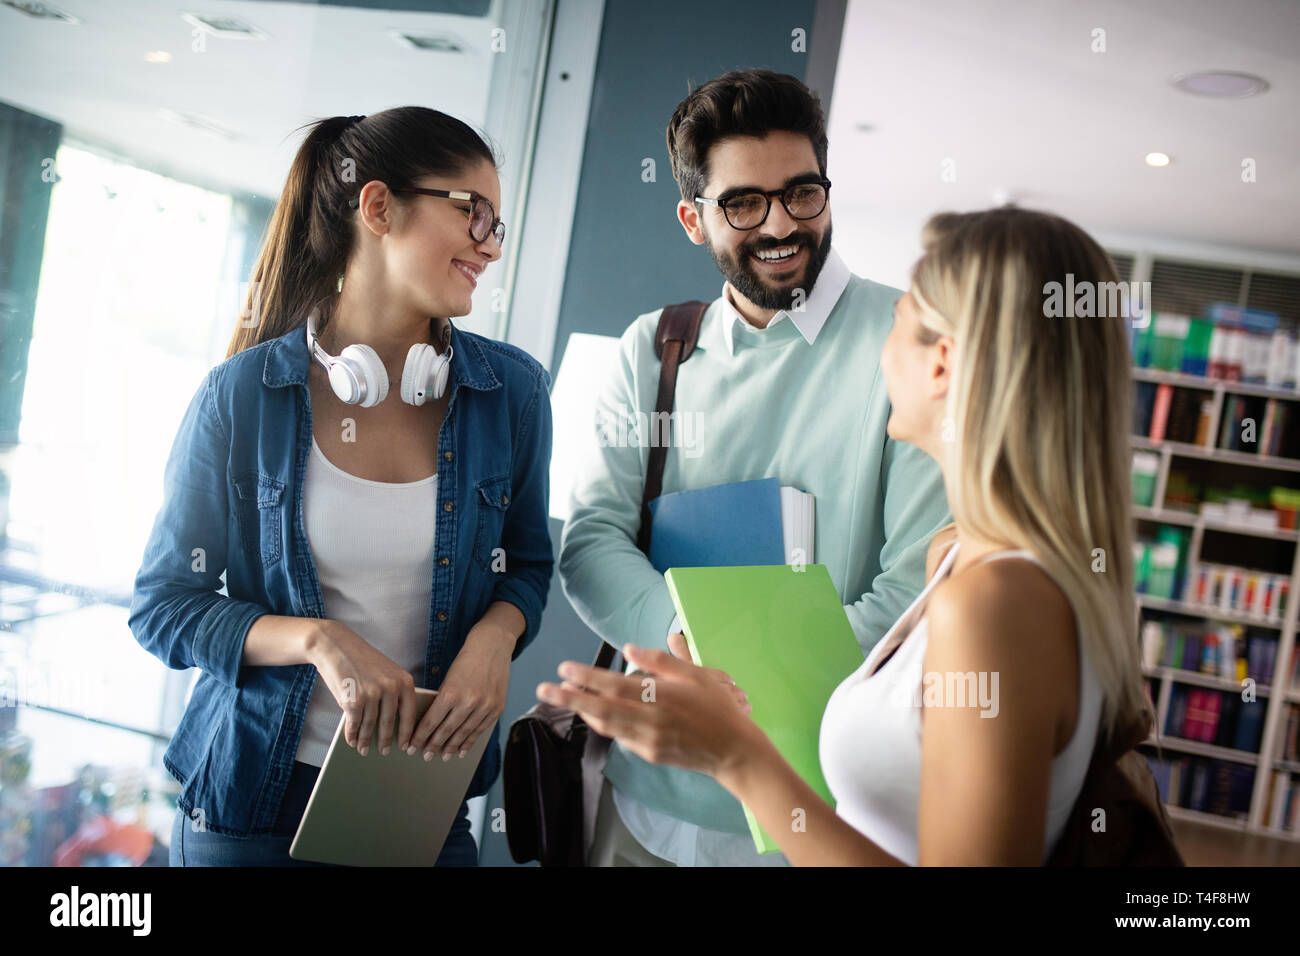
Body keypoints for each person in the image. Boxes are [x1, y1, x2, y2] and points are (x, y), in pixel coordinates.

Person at [540, 206, 1153, 865]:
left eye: (900, 321)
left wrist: (737, 756)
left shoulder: (995, 604)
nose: (881, 338)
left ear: (942, 365)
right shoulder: (960, 559)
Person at [128, 107, 554, 866]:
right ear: (379, 206)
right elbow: (164, 607)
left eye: (498, 223)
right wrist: (319, 641)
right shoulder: (242, 396)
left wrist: (496, 639)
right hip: (253, 802)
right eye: (473, 213)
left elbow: (525, 564)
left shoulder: (511, 393)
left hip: (421, 800)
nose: (490, 244)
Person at [558, 69, 952, 866]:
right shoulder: (656, 348)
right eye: (743, 203)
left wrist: (735, 682)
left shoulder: (911, 341)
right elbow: (594, 539)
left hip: (815, 810)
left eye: (802, 193)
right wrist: (679, 639)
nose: (780, 223)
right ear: (692, 220)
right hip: (643, 799)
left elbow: (916, 594)